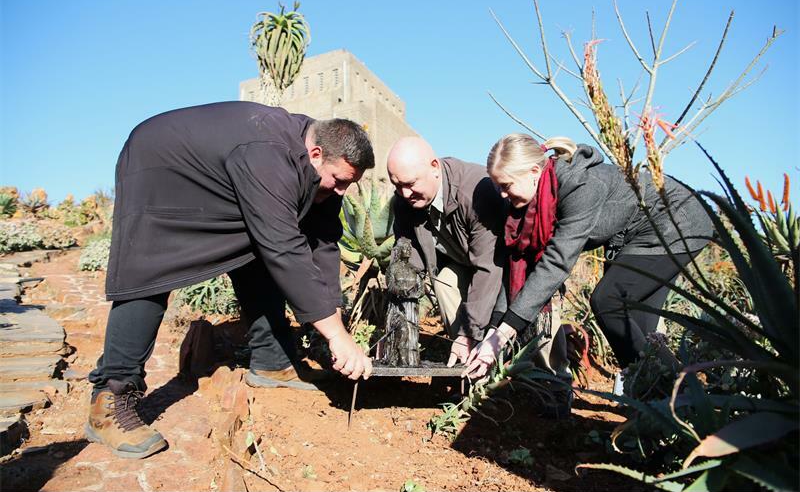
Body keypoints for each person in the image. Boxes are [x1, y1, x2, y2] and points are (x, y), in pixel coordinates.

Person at [86, 101, 374, 459]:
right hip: (160, 166)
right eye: (341, 181)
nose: (343, 191)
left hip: (222, 176)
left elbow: (323, 243)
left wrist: (335, 320)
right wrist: (336, 336)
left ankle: (273, 360)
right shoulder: (269, 155)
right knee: (150, 269)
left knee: (258, 251)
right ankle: (110, 399)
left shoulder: (322, 177)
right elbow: (285, 249)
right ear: (315, 154)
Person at [463, 133, 714, 398]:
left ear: (534, 171)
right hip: (639, 233)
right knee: (641, 330)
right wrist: (494, 331)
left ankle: (661, 401)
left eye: (506, 185)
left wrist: (503, 333)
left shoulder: (580, 186)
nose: (502, 195)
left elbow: (557, 263)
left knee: (609, 302)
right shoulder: (532, 207)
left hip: (675, 221)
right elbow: (520, 266)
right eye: (497, 186)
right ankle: (682, 400)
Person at [386, 137, 505, 366]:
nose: (405, 193)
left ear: (434, 167)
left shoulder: (476, 192)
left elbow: (489, 266)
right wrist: (393, 327)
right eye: (397, 185)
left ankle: (553, 378)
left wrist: (470, 330)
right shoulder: (404, 201)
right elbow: (408, 261)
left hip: (505, 263)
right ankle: (466, 360)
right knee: (445, 281)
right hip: (465, 260)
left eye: (410, 183)